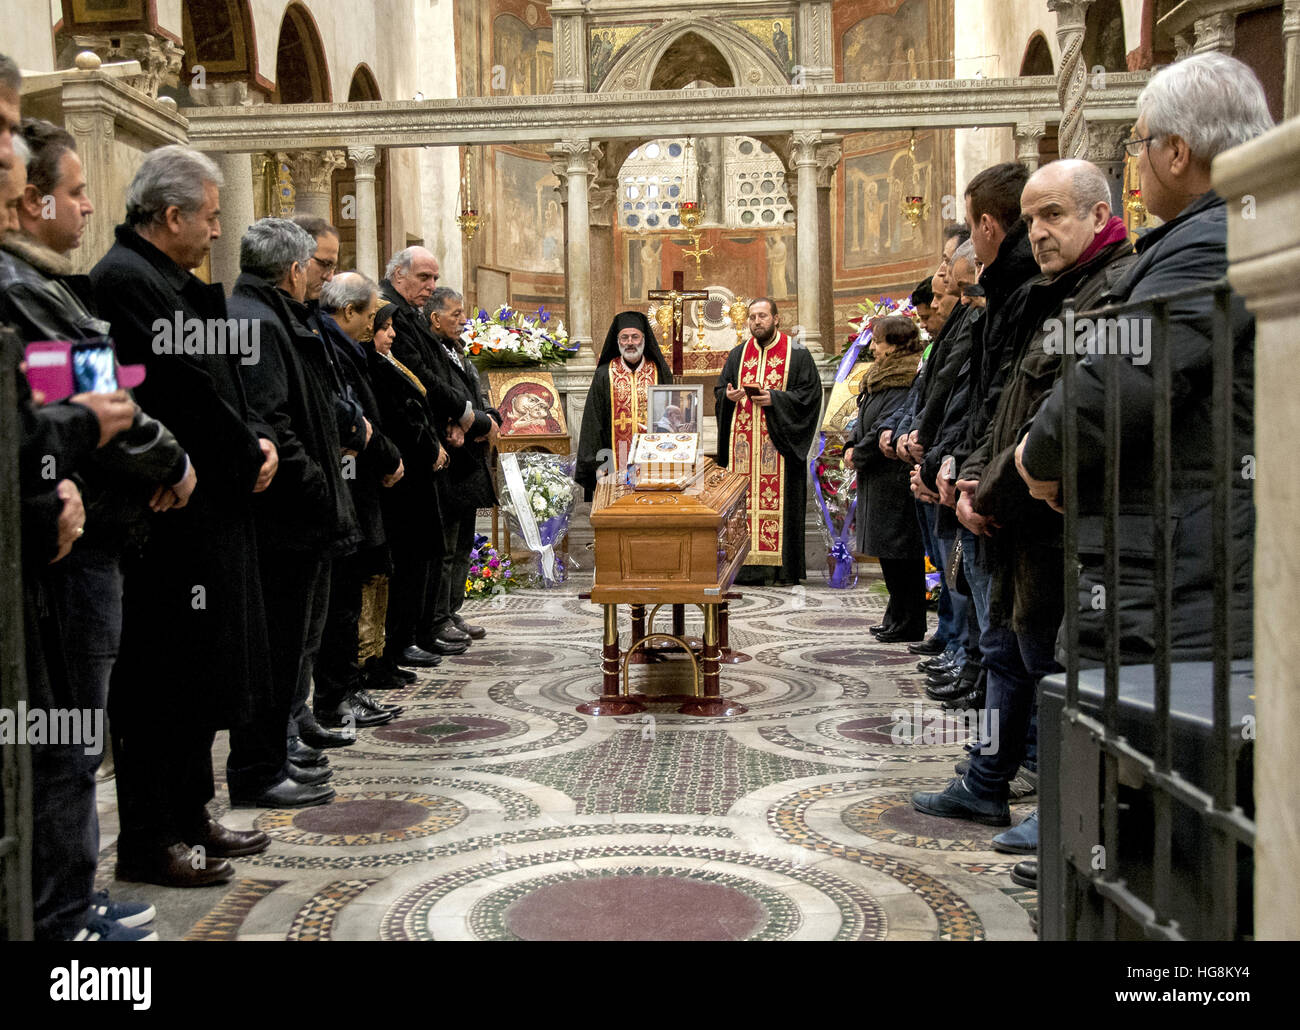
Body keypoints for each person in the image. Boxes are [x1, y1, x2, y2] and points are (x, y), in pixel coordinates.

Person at [0, 118, 193, 939]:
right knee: (67, 739)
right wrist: (170, 463)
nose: (86, 207)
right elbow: (99, 402)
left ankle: (66, 896)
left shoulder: (51, 282)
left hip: (90, 527)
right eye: (75, 192)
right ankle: (61, 914)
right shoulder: (27, 289)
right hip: (69, 551)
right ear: (32, 199)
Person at [913, 159, 1139, 829]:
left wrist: (989, 494)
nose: (1036, 232)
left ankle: (1062, 806)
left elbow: (1065, 415)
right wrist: (977, 473)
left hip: (1043, 512)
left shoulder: (1107, 287)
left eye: (1054, 216)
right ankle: (987, 778)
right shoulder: (1046, 290)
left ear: (1100, 216)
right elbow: (1004, 400)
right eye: (1032, 218)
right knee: (1005, 651)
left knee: (1046, 658)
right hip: (1008, 501)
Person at [90, 145, 276, 887]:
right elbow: (180, 390)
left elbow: (216, 382)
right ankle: (151, 839)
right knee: (160, 685)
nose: (215, 228)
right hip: (168, 517)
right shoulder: (125, 280)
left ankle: (192, 814)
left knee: (199, 677)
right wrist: (244, 448)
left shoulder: (168, 277)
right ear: (171, 216)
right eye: (209, 215)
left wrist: (252, 442)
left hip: (205, 507)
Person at [227, 217, 372, 807]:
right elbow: (275, 424)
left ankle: (277, 750)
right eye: (317, 265)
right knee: (278, 648)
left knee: (293, 647)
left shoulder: (274, 318)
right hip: (288, 519)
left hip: (300, 515)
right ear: (292, 269)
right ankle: (261, 766)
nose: (321, 275)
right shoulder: (259, 323)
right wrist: (317, 487)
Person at [714, 297, 821, 585]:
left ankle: (780, 571)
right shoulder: (738, 354)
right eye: (752, 317)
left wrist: (775, 398)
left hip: (780, 447)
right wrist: (728, 396)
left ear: (776, 319)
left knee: (780, 505)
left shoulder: (797, 354)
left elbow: (810, 396)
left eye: (762, 316)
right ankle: (744, 569)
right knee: (742, 504)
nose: (756, 321)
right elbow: (720, 389)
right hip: (742, 450)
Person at [422, 286, 497, 650]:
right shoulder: (431, 353)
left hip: (469, 462)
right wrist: (461, 422)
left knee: (464, 541)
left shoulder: (458, 352)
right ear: (435, 318)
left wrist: (488, 417)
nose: (464, 320)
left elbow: (474, 397)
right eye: (456, 314)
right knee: (447, 546)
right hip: (449, 463)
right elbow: (438, 397)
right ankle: (437, 616)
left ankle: (452, 611)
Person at [844, 316, 927, 639]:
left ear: (894, 344)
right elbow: (863, 418)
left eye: (878, 342)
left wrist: (859, 453)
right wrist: (851, 443)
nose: (873, 347)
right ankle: (896, 615)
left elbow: (885, 426)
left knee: (901, 553)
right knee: (888, 553)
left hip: (892, 475)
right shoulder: (881, 375)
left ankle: (910, 622)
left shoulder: (904, 377)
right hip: (876, 476)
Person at [576, 310, 672, 499]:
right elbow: (593, 422)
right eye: (624, 337)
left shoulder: (658, 372)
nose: (630, 342)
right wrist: (598, 464)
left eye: (635, 337)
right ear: (617, 340)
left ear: (644, 338)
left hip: (654, 460)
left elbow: (670, 415)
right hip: (612, 462)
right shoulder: (605, 374)